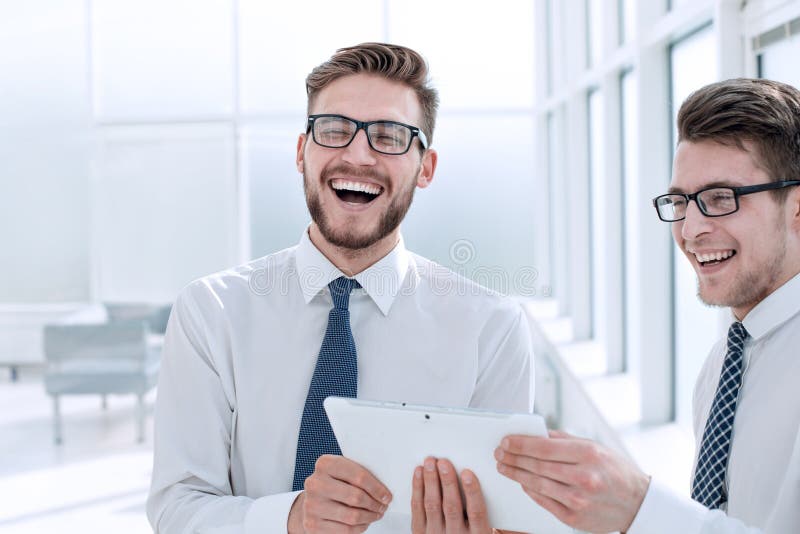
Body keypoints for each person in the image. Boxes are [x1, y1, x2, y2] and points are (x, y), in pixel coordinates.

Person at [146, 42, 532, 534]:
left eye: (390, 136)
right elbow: (177, 508)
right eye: (334, 130)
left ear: (426, 167)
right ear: (302, 152)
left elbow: (505, 517)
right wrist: (292, 518)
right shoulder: (210, 312)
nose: (357, 155)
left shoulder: (491, 330)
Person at [492, 77, 800, 533]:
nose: (690, 229)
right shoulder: (724, 364)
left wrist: (640, 508)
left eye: (719, 198)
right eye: (681, 201)